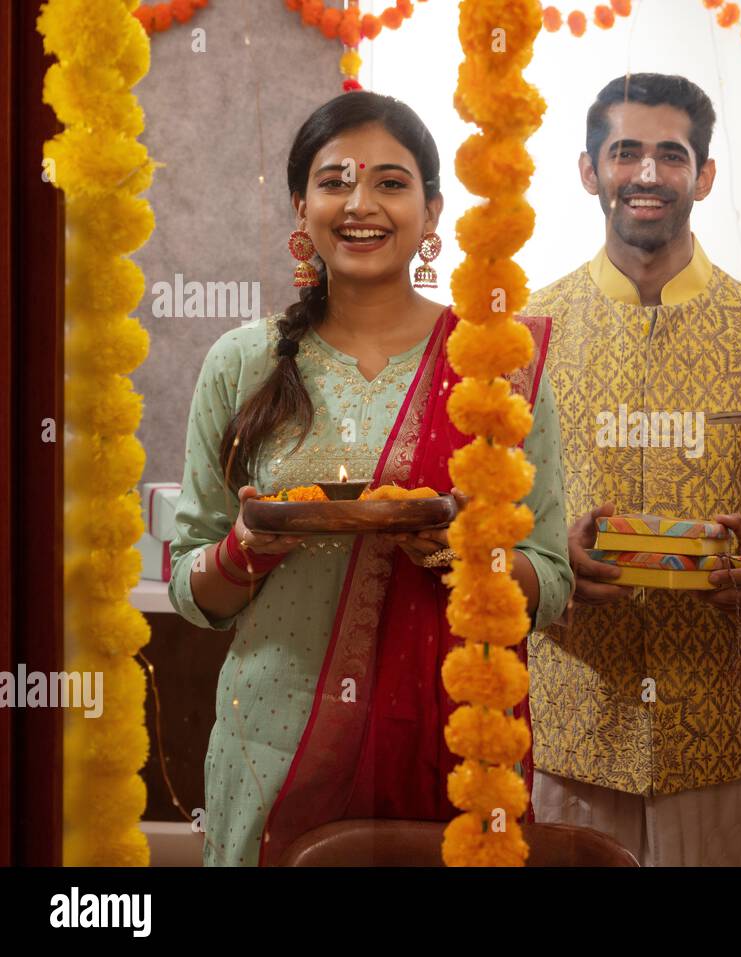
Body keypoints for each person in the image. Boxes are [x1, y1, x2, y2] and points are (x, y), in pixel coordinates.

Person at [168, 91, 572, 866]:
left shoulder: (497, 365)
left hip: (451, 741)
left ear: (432, 210)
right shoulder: (243, 362)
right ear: (302, 207)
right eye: (335, 180)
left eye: (390, 182)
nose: (361, 204)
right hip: (272, 743)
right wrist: (246, 547)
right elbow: (192, 583)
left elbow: (549, 581)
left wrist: (473, 558)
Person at [524, 73, 741, 866]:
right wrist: (550, 556)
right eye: (625, 153)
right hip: (572, 716)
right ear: (589, 172)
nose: (648, 174)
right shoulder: (528, 332)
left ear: (705, 174)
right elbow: (487, 510)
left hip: (721, 722)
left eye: (671, 154)